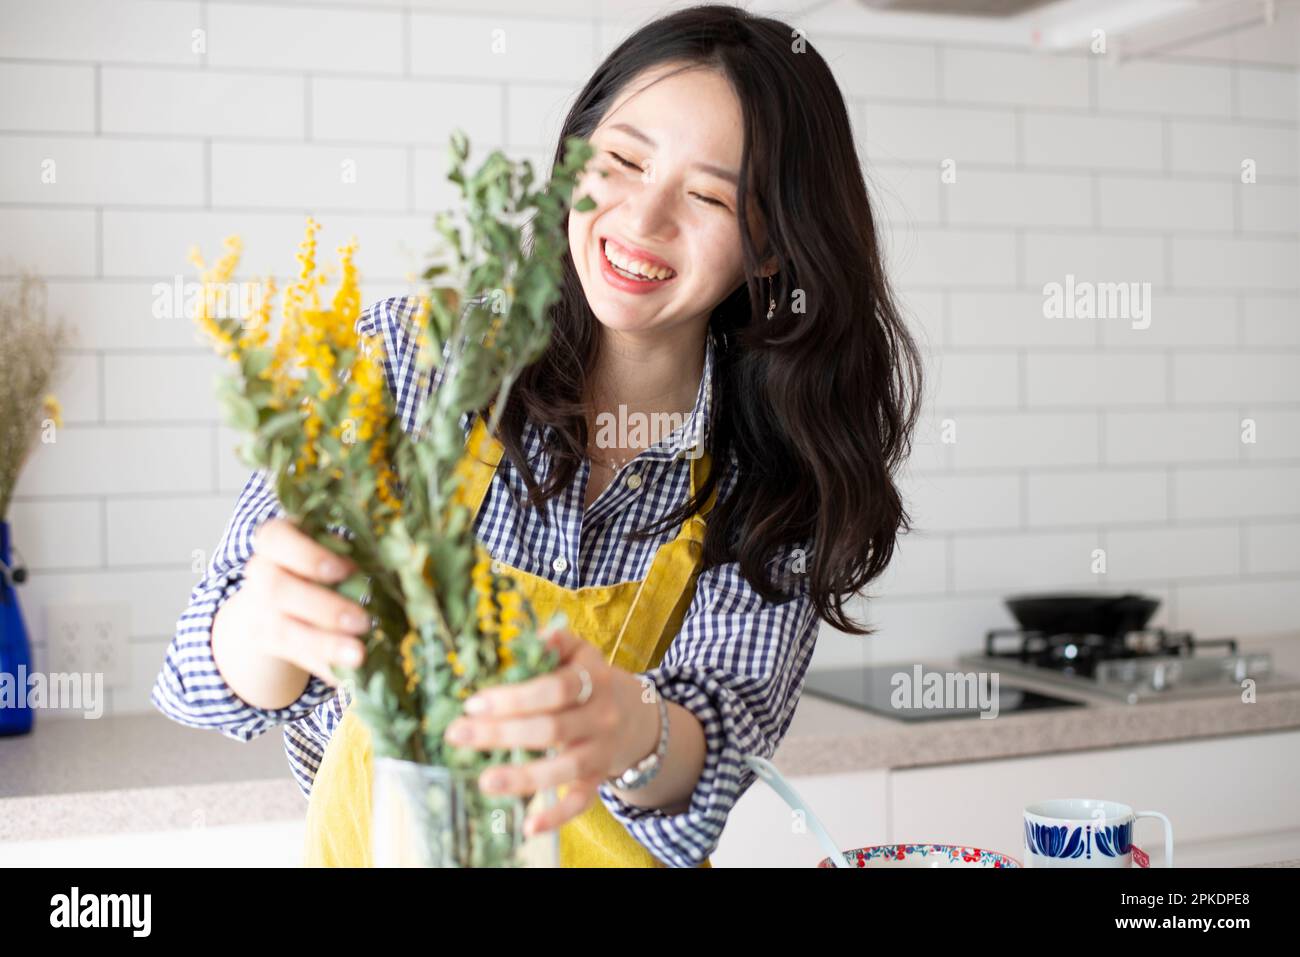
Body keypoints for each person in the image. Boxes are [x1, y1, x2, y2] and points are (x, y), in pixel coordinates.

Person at [152, 3, 923, 868]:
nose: (643, 217)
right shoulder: (408, 362)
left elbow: (712, 749)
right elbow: (200, 685)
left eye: (709, 195)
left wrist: (631, 728)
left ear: (772, 246)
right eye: (623, 159)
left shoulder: (779, 474)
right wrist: (263, 628)